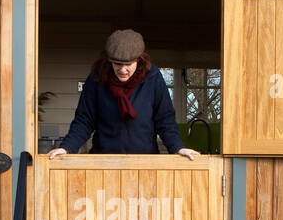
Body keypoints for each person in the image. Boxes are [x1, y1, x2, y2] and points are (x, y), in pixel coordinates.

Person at [48, 29, 200, 159]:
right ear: (109, 61)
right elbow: (84, 120)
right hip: (104, 160)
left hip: (144, 160)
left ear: (139, 61)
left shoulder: (152, 78)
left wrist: (178, 148)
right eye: (117, 64)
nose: (122, 70)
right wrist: (67, 147)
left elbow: (165, 119)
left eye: (128, 64)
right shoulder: (96, 78)